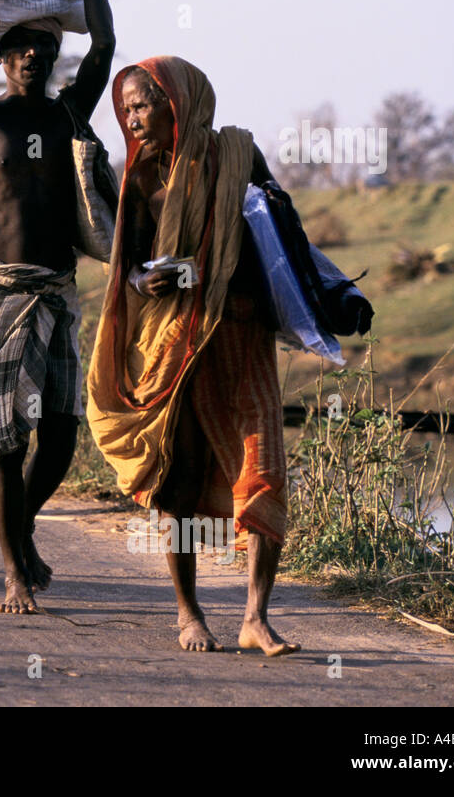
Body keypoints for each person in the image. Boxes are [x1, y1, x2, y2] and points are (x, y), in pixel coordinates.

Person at [86, 56, 299, 657]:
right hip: (175, 343)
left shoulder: (239, 157)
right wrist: (140, 281)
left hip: (240, 335)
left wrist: (236, 274)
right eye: (125, 108)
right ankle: (188, 612)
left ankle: (256, 615)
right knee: (180, 477)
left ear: (179, 101)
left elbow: (277, 230)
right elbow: (125, 263)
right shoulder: (141, 175)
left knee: (262, 467)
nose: (132, 118)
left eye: (143, 104)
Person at [0, 0, 116, 614]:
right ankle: (14, 569)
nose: (30, 58)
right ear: (3, 58)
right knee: (6, 440)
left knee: (60, 436)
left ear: (54, 55)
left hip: (55, 290)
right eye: (18, 49)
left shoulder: (69, 116)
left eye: (42, 48)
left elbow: (105, 43)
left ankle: (22, 527)